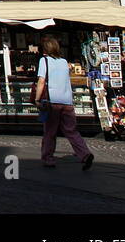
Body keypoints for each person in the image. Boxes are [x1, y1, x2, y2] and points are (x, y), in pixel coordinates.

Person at [36, 36, 94, 170]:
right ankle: (85, 154)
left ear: (45, 49)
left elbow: (41, 81)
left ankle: (48, 158)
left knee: (50, 132)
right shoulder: (64, 62)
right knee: (71, 131)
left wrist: (37, 99)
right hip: (67, 101)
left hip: (52, 101)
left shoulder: (44, 61)